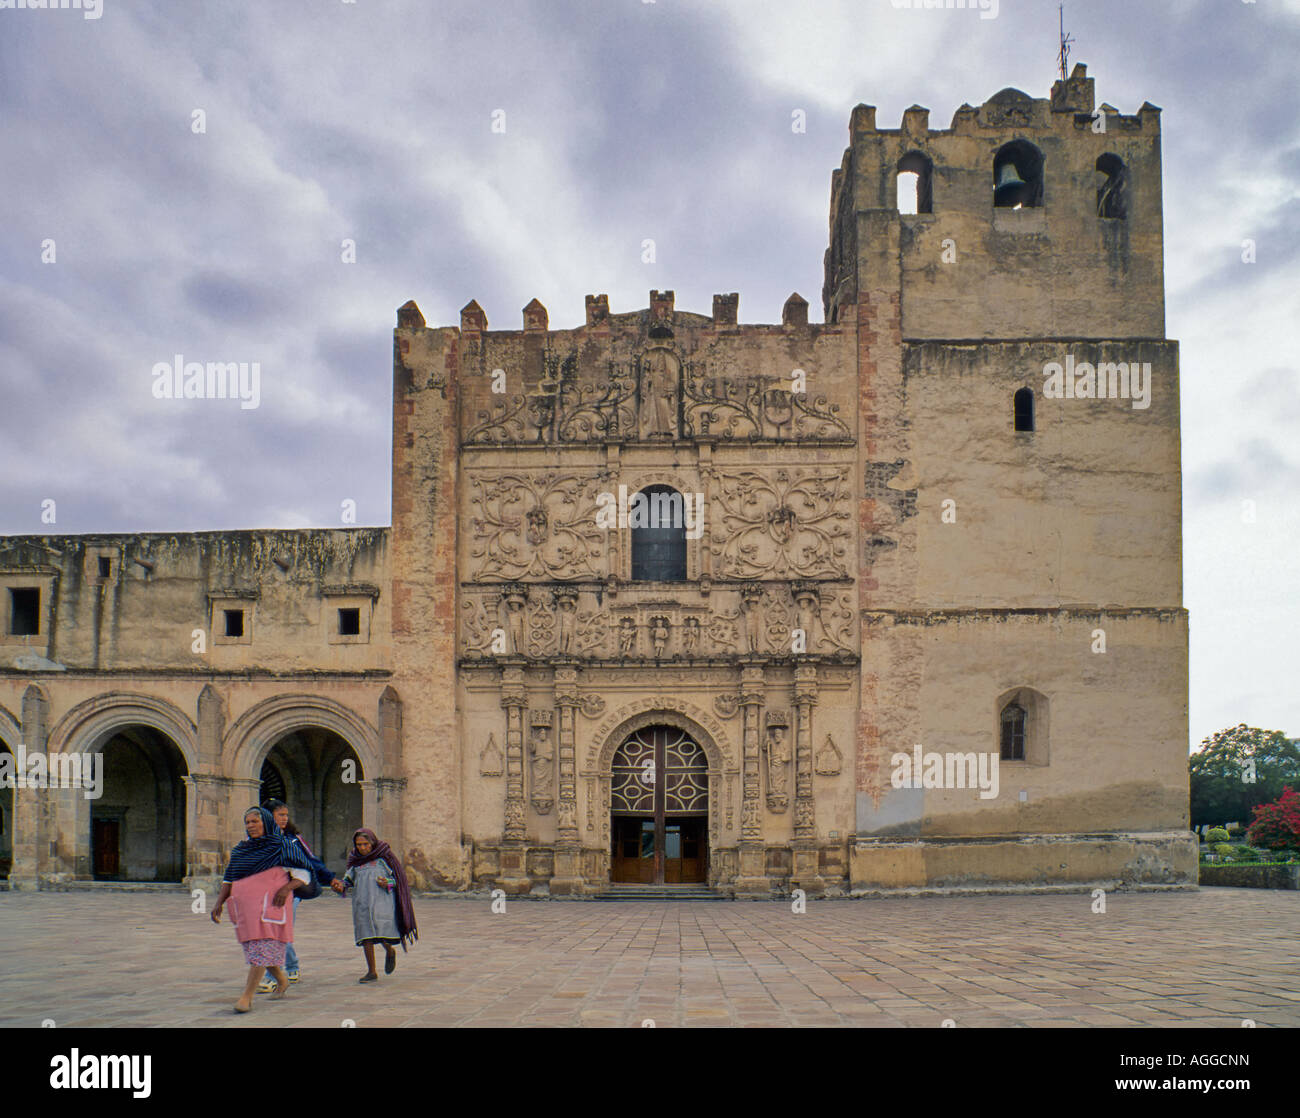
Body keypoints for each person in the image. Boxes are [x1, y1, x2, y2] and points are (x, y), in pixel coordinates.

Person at [210, 805, 313, 1014]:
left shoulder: (282, 845)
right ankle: (282, 979)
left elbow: (303, 873)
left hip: (271, 907)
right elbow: (229, 878)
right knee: (256, 949)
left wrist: (286, 888)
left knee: (261, 948)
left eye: (254, 821)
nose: (250, 825)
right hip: (246, 910)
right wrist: (218, 903)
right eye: (247, 822)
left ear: (265, 822)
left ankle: (246, 997)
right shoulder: (241, 849)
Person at [255, 799, 342, 992]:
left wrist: (330, 879)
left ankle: (271, 977)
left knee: (277, 932)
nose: (285, 818)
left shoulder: (293, 839)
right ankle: (292, 966)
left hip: (289, 893)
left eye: (286, 815)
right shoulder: (258, 838)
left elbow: (311, 861)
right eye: (281, 815)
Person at [334, 827, 418, 983]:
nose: (362, 848)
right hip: (362, 904)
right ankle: (371, 971)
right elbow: (348, 881)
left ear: (372, 843)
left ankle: (389, 950)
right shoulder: (355, 862)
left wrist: (388, 882)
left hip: (382, 904)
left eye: (365, 844)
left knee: (381, 934)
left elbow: (398, 881)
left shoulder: (383, 859)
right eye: (359, 844)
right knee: (366, 937)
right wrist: (340, 886)